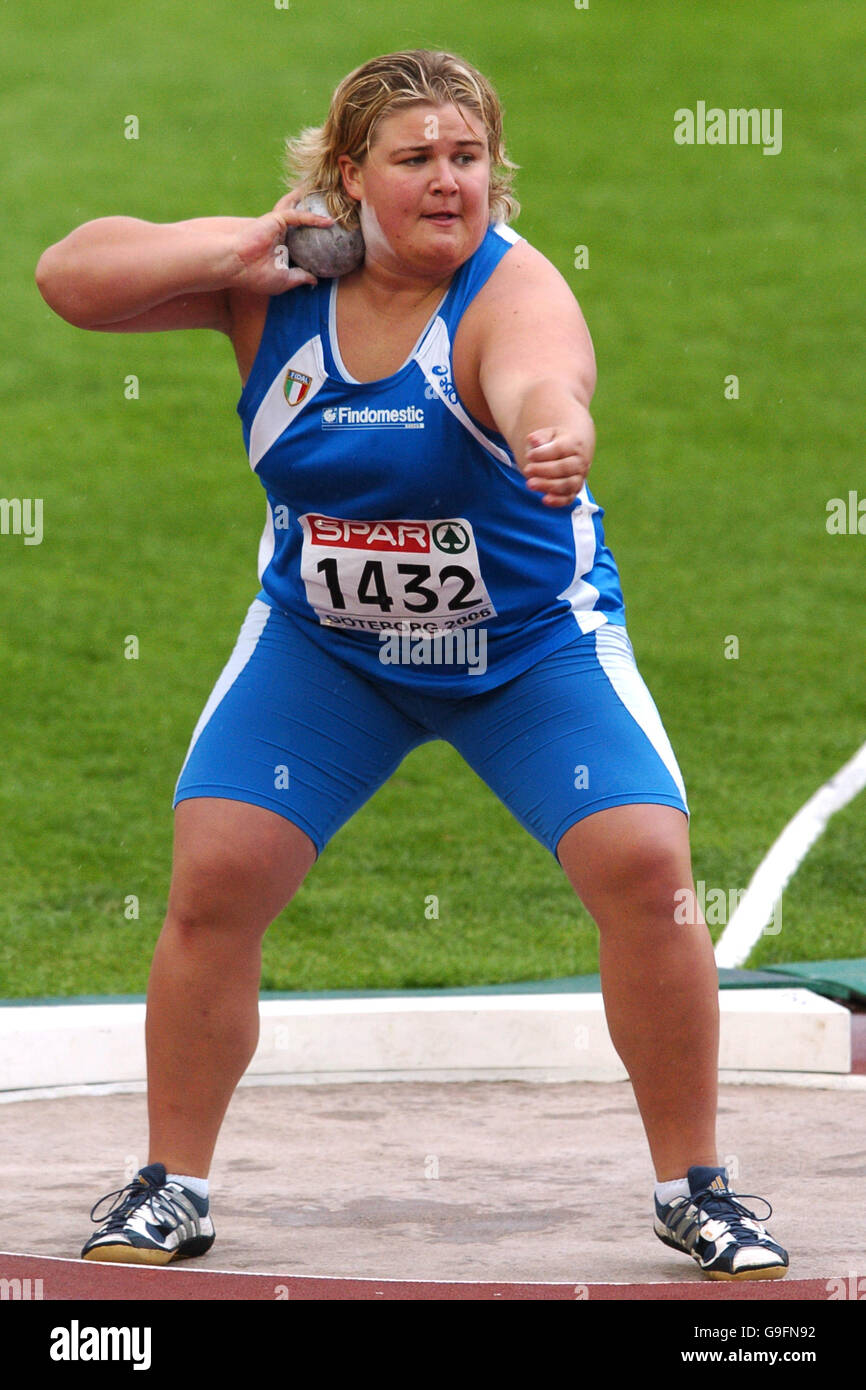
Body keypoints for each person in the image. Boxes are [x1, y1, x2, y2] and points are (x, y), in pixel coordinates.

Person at [35, 48, 787, 1281]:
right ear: (347, 176)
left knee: (646, 868)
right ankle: (172, 1184)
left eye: (468, 158)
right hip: (326, 650)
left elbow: (545, 374)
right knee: (217, 870)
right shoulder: (270, 285)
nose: (449, 184)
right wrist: (230, 250)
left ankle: (695, 1188)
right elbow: (70, 279)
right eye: (415, 160)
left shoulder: (512, 288)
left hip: (522, 650)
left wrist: (555, 433)